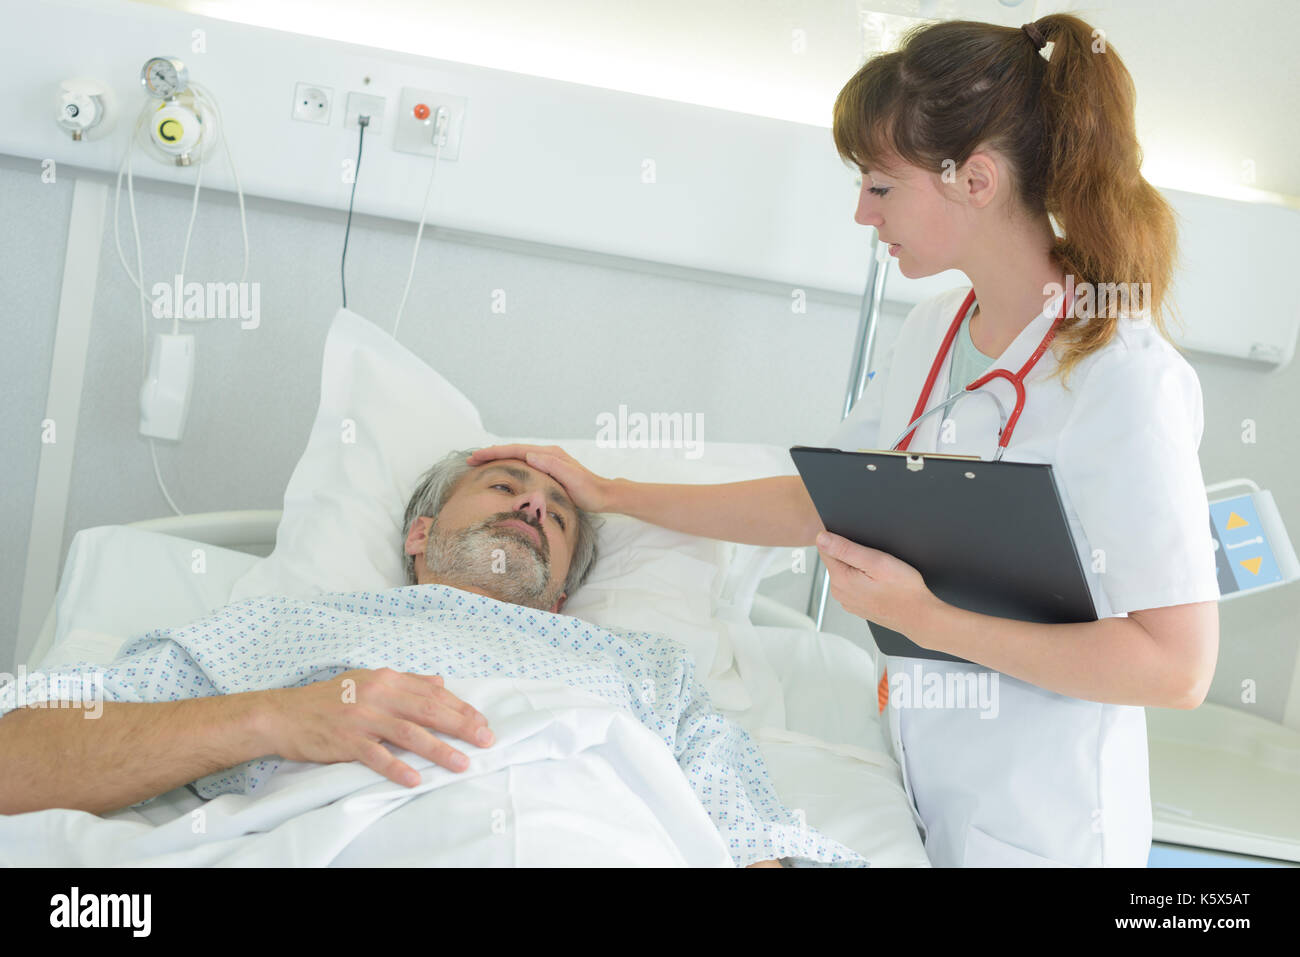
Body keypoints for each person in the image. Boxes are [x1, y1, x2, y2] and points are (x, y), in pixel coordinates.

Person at [467, 14, 1221, 867]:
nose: (863, 211)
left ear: (975, 180)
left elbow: (1176, 668)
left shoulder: (1123, 376)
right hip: (921, 792)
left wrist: (926, 620)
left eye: (881, 185)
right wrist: (611, 491)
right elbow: (819, 500)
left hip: (1045, 822)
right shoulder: (936, 331)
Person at [0, 452, 859, 866]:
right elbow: (19, 758)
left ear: (561, 595)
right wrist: (277, 717)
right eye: (504, 486)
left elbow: (754, 836)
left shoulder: (646, 669)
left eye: (559, 515)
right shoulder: (290, 628)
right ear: (420, 535)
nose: (533, 504)